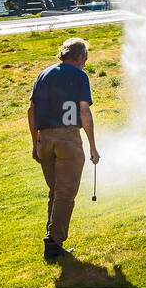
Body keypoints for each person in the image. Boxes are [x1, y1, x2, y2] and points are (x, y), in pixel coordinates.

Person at [28, 37, 100, 261]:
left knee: (56, 191)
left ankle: (52, 237)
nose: (84, 63)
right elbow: (84, 113)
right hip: (68, 138)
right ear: (79, 56)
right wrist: (93, 146)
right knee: (65, 193)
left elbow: (31, 110)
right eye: (85, 59)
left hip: (44, 139)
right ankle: (53, 242)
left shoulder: (44, 74)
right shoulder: (79, 75)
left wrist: (35, 142)